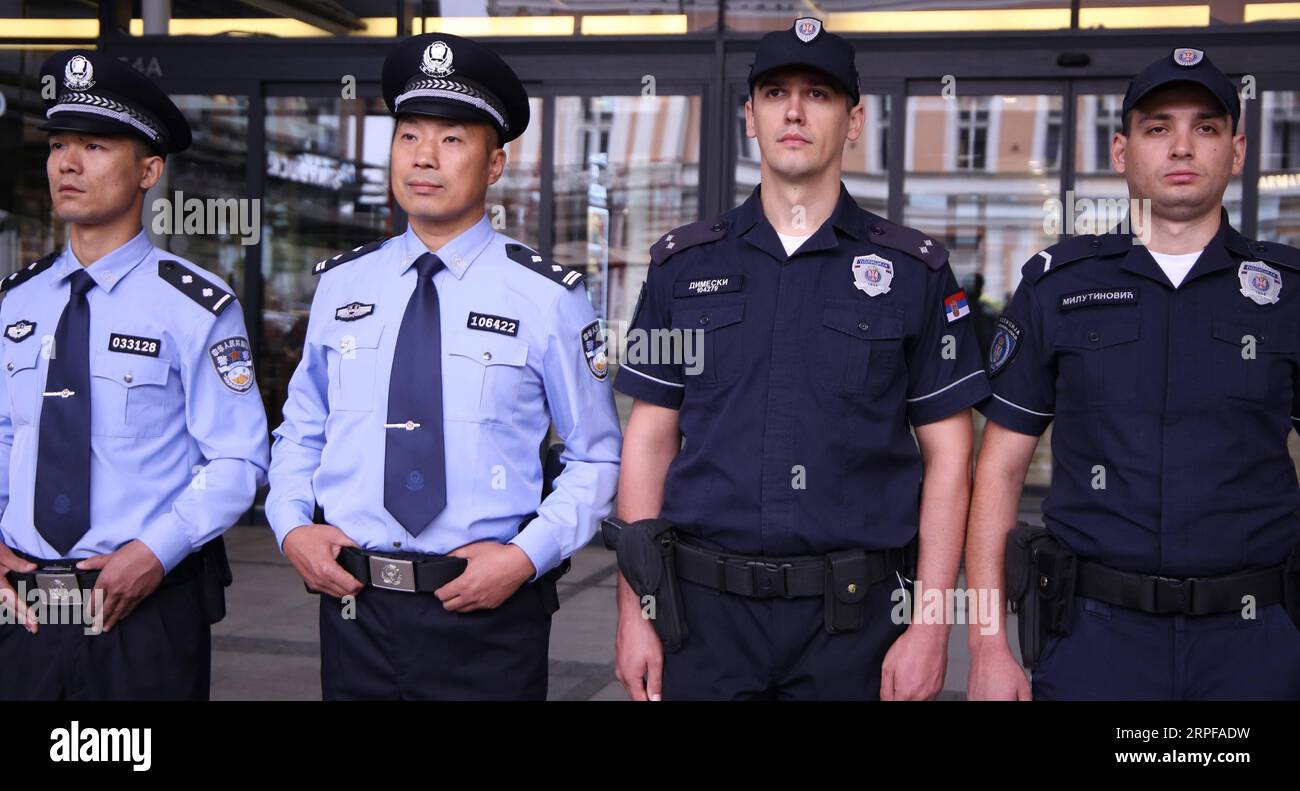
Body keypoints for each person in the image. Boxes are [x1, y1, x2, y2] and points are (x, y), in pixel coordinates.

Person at [610, 17, 990, 701]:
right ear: (749, 117)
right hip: (700, 619)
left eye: (818, 94)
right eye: (775, 92)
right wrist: (636, 609)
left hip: (856, 625)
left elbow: (949, 460)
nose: (793, 110)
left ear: (852, 120)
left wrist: (931, 626)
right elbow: (648, 440)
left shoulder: (914, 272)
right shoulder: (681, 266)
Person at [266, 33, 622, 700]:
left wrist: (525, 557)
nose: (424, 157)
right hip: (355, 610)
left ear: (495, 164)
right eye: (408, 136)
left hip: (488, 615)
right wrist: (290, 525)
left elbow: (597, 458)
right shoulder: (342, 286)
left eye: (453, 139)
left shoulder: (547, 297)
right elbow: (301, 429)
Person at [967, 47, 1300, 700]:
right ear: (1121, 151)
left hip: (1255, 645)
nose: (1181, 146)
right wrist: (985, 644)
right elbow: (1000, 469)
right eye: (1158, 127)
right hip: (1095, 642)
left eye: (1205, 127)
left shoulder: (1287, 293)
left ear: (1236, 152)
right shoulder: (1058, 287)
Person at [0, 50, 269, 700]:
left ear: (149, 169)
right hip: (23, 614)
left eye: (93, 145)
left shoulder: (195, 306)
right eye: (59, 144)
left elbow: (238, 458)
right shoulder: (16, 302)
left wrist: (155, 550)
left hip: (143, 612)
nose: (67, 163)